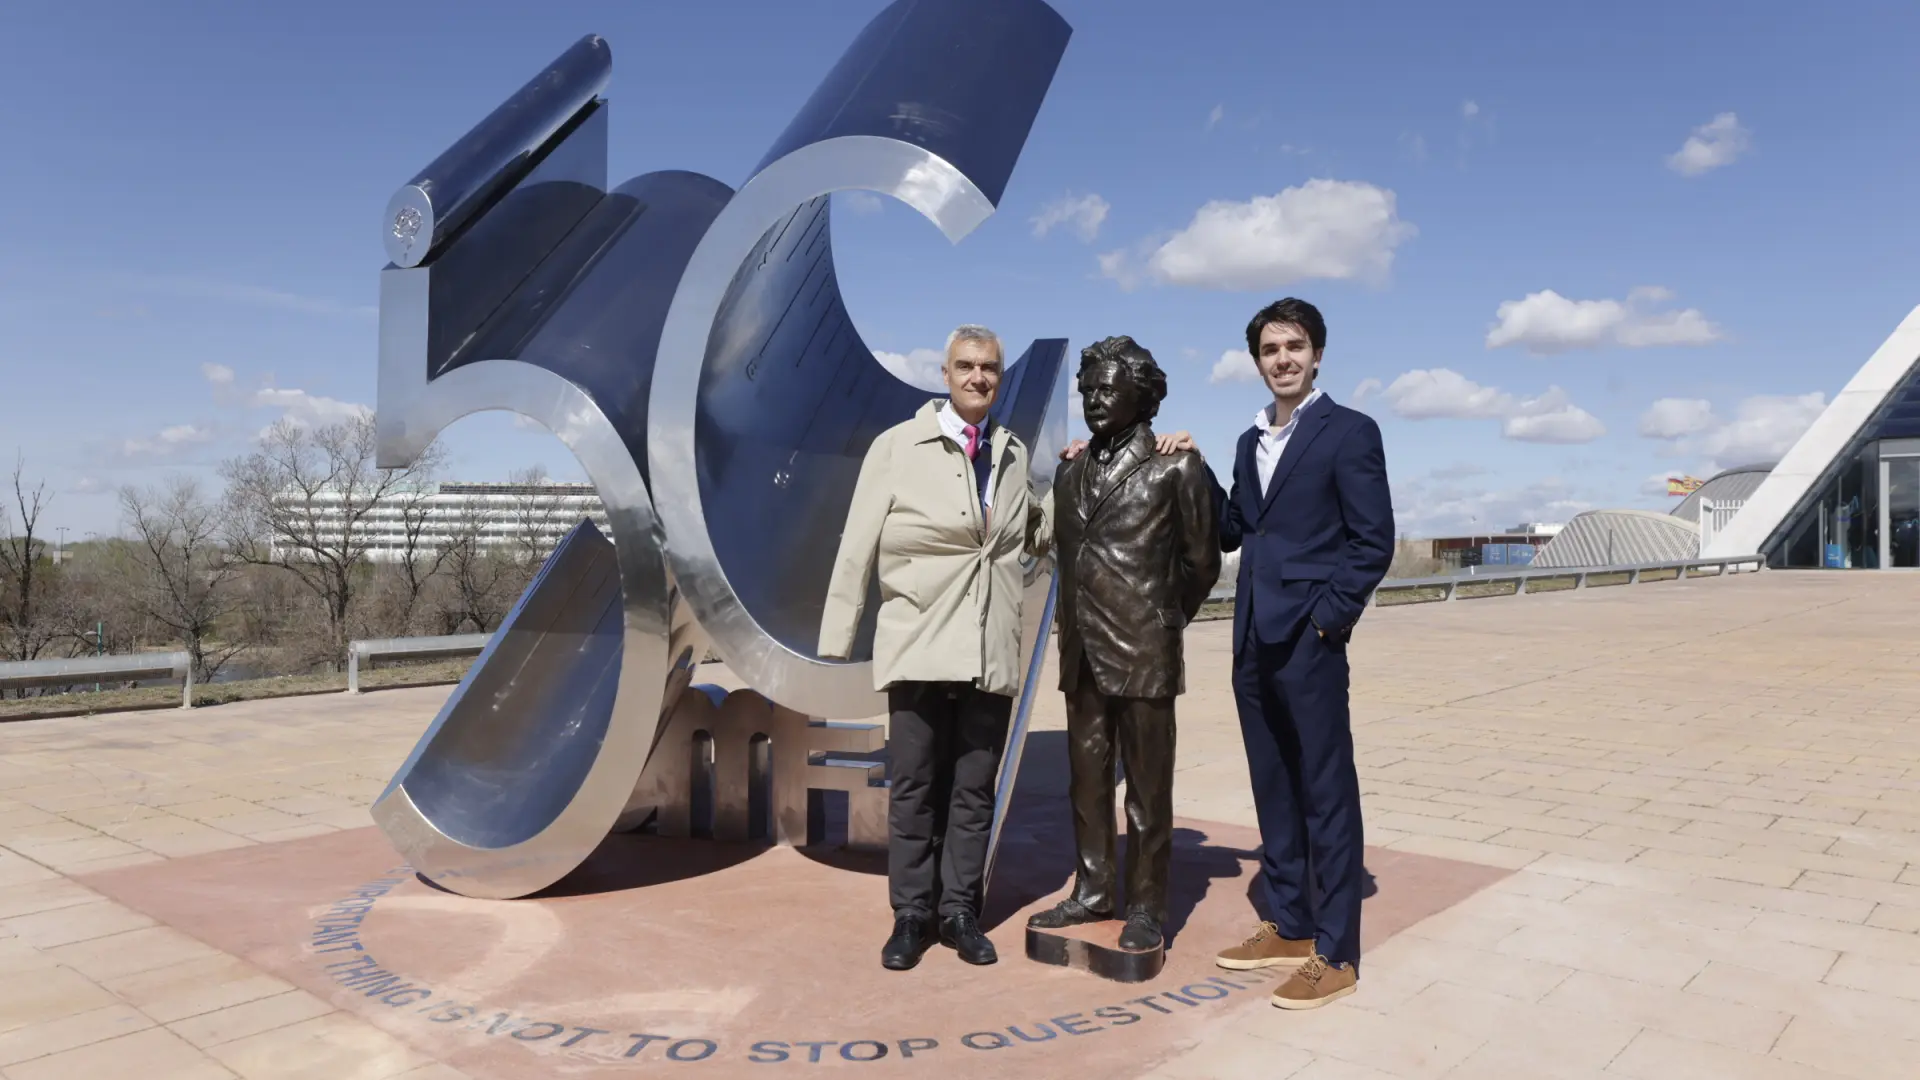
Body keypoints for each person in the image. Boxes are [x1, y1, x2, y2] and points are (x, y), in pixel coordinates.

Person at [817, 324, 1051, 971]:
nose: (980, 377)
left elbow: (1032, 534)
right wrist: (839, 636)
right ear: (945, 373)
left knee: (974, 789)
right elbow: (855, 544)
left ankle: (959, 912)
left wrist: (1087, 476)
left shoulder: (1009, 452)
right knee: (916, 787)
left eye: (991, 369)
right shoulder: (897, 447)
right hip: (920, 641)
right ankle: (912, 914)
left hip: (986, 649)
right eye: (968, 366)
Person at [1202, 297, 1393, 1009]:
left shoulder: (1350, 433)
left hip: (1309, 640)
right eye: (1270, 348)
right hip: (1251, 636)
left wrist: (1329, 621)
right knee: (1273, 783)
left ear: (1316, 355)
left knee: (1325, 792)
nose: (1282, 358)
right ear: (1257, 360)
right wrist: (1183, 460)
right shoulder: (1249, 442)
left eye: (1295, 346)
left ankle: (1336, 950)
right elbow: (1231, 528)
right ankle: (1288, 921)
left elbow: (1373, 540)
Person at [1025, 337, 1219, 953]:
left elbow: (1202, 562)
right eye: (1087, 390)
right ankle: (1092, 891)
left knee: (1147, 790)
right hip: (1081, 649)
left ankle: (1146, 903)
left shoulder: (1177, 466)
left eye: (1108, 388)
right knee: (1086, 783)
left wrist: (1163, 620)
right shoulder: (1069, 467)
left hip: (1143, 650)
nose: (1094, 399)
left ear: (1144, 394)